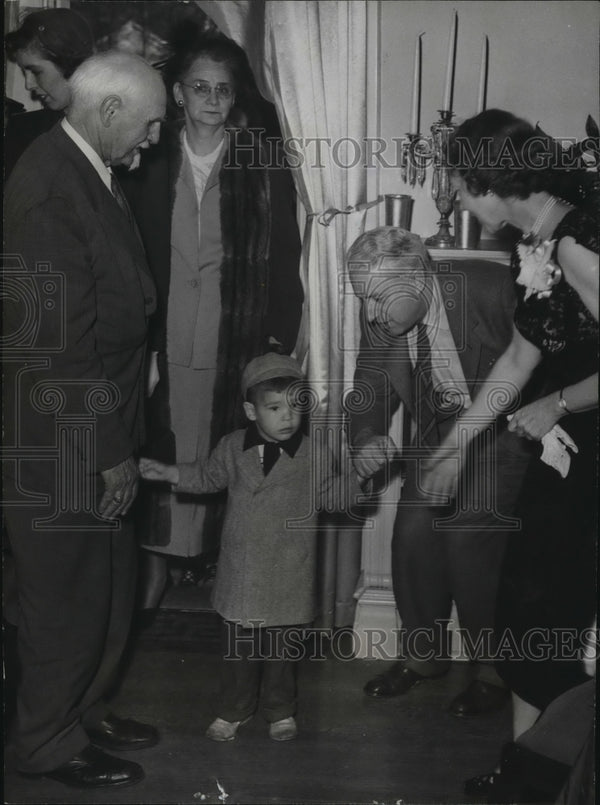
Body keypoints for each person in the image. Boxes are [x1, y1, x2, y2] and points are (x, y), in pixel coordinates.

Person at [3, 51, 167, 789]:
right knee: (65, 592)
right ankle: (44, 740)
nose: (155, 138)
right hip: (66, 432)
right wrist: (108, 451)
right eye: (149, 122)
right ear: (108, 113)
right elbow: (59, 349)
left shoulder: (90, 166)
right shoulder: (47, 190)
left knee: (108, 580)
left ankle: (86, 707)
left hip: (103, 418)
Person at [424, 109, 598, 800]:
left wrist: (560, 405)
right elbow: (520, 357)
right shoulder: (550, 233)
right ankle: (531, 767)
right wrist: (454, 444)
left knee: (543, 613)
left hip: (589, 450)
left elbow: (544, 381)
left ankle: (544, 772)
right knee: (534, 614)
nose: (457, 201)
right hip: (574, 453)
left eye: (460, 186)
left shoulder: (578, 243)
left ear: (490, 180)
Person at [119, 28, 303, 602]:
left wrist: (277, 338)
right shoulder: (148, 154)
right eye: (199, 87)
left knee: (221, 446)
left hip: (233, 330)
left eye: (222, 89)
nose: (211, 99)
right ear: (177, 93)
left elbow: (284, 254)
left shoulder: (260, 161)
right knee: (163, 439)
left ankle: (213, 562)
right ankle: (157, 562)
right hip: (163, 331)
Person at [348, 227, 535, 716]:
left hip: (505, 431)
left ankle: (496, 667)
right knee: (411, 533)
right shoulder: (381, 319)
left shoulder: (494, 288)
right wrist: (366, 439)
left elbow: (547, 361)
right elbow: (367, 391)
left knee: (469, 535)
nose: (369, 313)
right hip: (436, 435)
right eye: (362, 298)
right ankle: (424, 656)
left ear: (419, 276)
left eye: (376, 298)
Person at [140, 353, 362, 742]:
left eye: (295, 407)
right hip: (243, 570)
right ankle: (234, 709)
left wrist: (361, 474)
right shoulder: (231, 447)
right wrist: (169, 472)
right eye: (274, 408)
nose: (287, 417)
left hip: (290, 568)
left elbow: (334, 498)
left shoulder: (315, 454)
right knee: (240, 652)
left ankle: (280, 710)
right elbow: (208, 477)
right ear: (250, 410)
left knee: (281, 652)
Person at [4, 7, 95, 176]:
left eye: (36, 72)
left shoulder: (120, 133)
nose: (28, 85)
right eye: (25, 72)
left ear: (71, 64)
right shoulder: (23, 132)